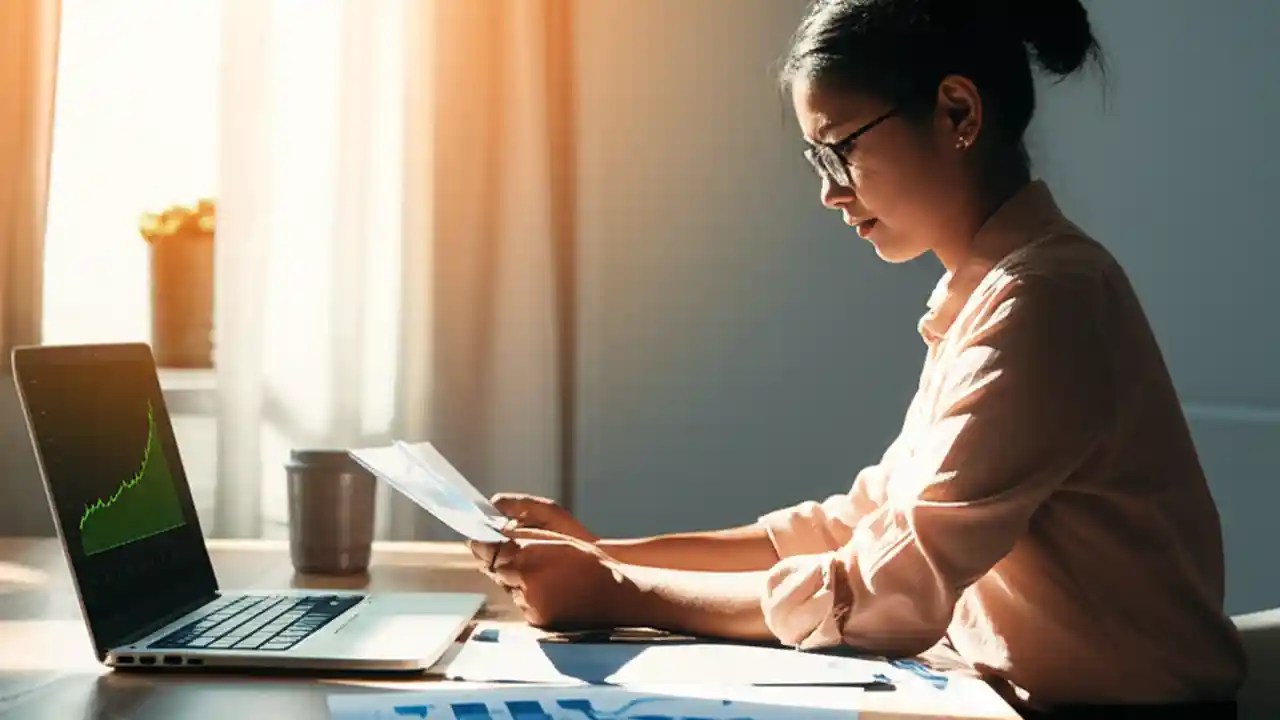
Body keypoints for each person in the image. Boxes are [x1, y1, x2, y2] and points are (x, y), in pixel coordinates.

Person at [470, 0, 1246, 714]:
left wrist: (617, 591)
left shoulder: (1045, 299)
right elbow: (856, 527)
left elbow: (886, 592)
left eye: (839, 150)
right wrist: (598, 555)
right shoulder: (990, 295)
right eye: (817, 162)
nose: (830, 194)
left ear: (958, 112)